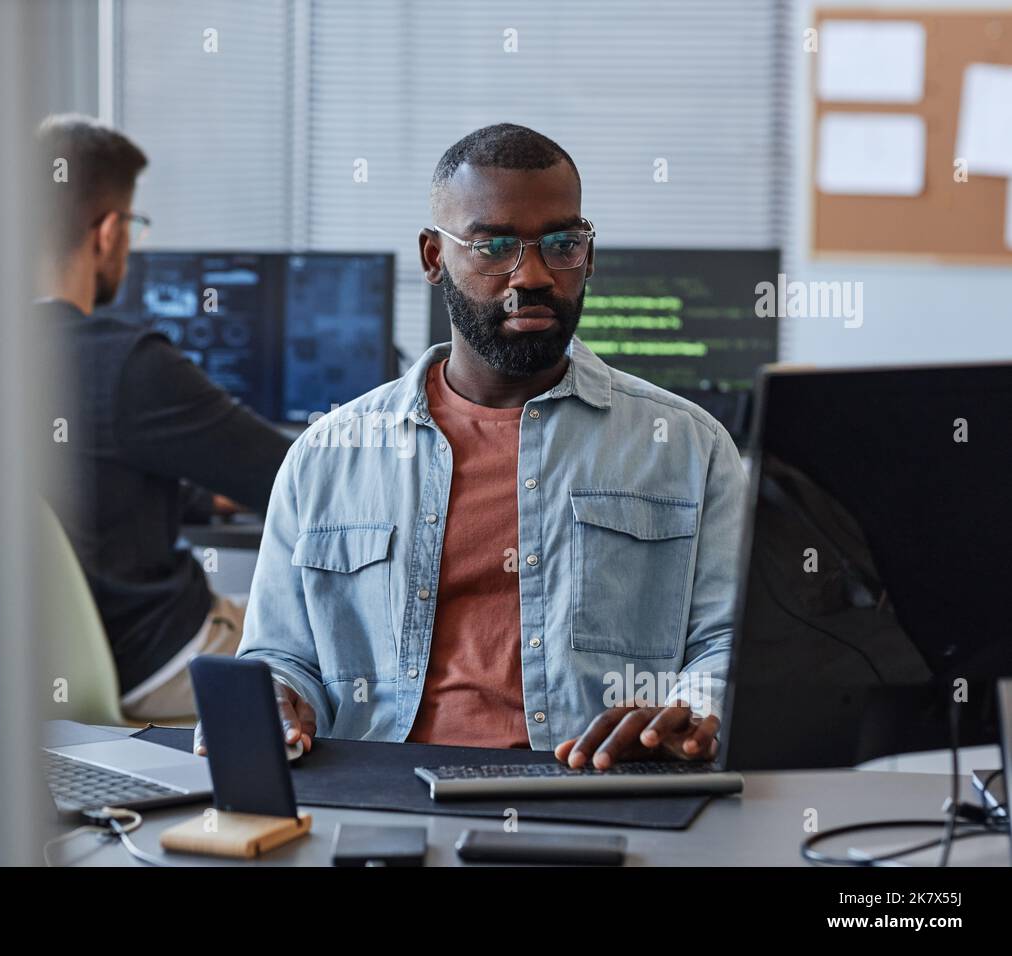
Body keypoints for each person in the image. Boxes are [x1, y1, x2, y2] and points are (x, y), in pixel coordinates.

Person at [198, 123, 746, 768]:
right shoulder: (327, 455)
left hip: (603, 780)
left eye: (563, 243)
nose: (534, 274)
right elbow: (281, 655)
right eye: (494, 245)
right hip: (382, 785)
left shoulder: (689, 447)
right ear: (434, 257)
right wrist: (276, 697)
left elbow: (730, 641)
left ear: (589, 254)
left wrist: (695, 705)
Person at [0, 114, 291, 719]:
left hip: (20, 668)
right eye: (133, 228)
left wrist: (195, 496)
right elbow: (297, 481)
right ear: (109, 232)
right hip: (159, 661)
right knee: (332, 650)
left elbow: (63, 480)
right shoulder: (128, 360)